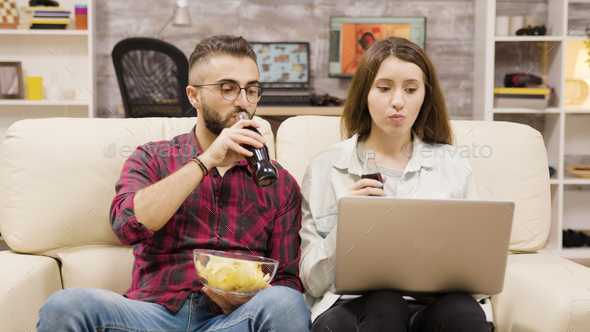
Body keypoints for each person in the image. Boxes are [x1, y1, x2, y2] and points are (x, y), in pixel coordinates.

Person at [37, 35, 311, 332]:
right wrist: (206, 160)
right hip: (152, 315)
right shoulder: (153, 157)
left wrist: (245, 297)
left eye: (252, 90)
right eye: (228, 88)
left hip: (231, 321)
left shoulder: (279, 183)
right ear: (194, 96)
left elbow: (285, 282)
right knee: (64, 306)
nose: (243, 102)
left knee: (286, 302)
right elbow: (127, 226)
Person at [299, 36, 492, 332]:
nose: (398, 101)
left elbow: (479, 277)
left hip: (431, 306)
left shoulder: (452, 163)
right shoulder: (325, 165)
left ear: (426, 95)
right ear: (365, 92)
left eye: (411, 89)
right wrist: (348, 224)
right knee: (384, 302)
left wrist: (440, 282)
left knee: (463, 311)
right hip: (352, 307)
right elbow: (311, 282)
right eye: (384, 88)